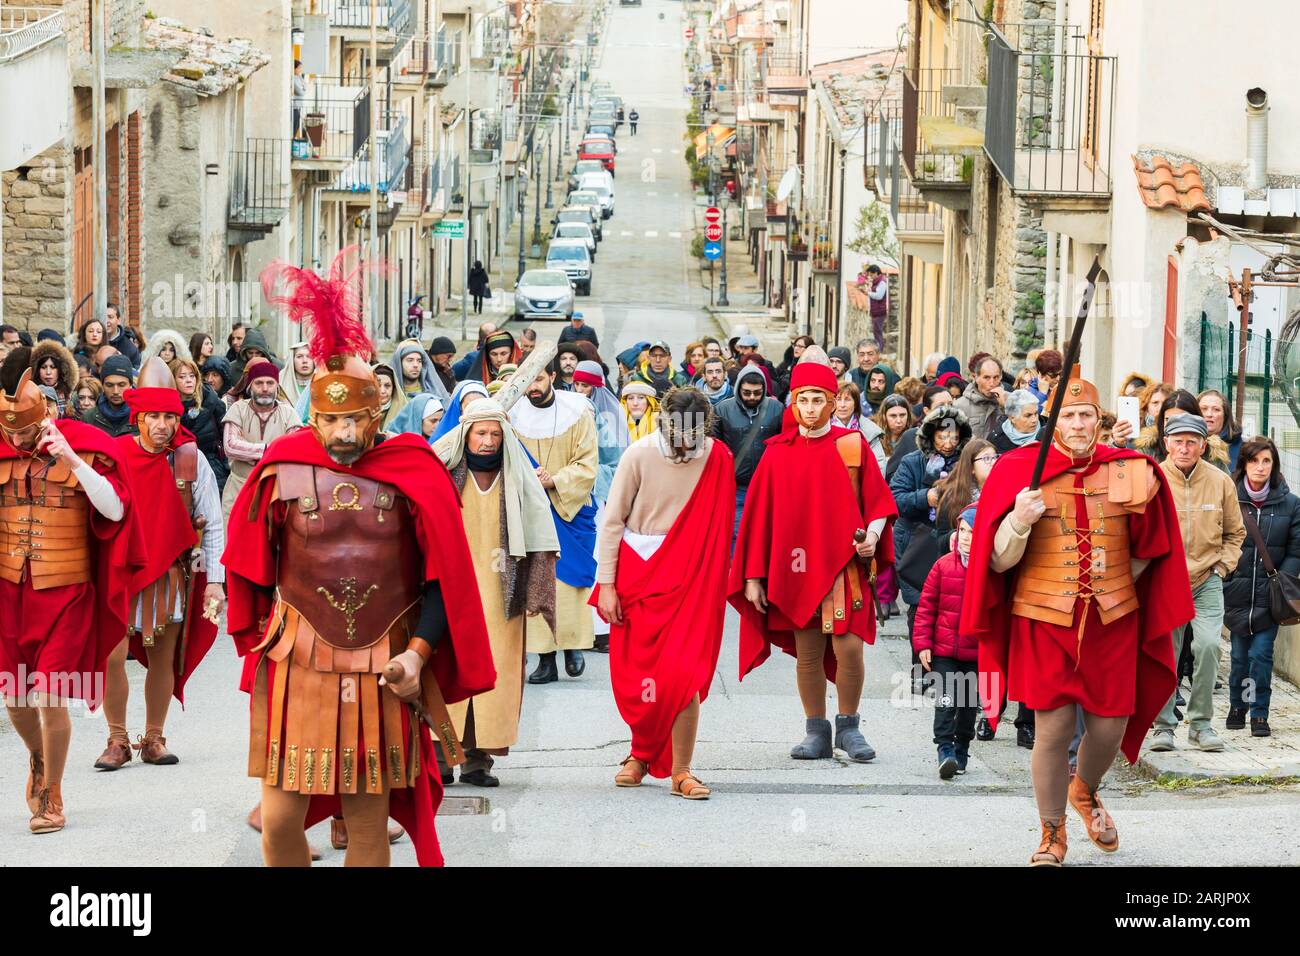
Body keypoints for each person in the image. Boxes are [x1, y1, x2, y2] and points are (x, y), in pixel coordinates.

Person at [962, 368, 1193, 866]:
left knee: (1110, 724)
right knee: (1054, 728)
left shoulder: (1133, 469)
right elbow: (997, 562)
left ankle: (1083, 790)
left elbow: (1154, 548)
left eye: (1086, 414)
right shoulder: (1016, 472)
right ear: (1053, 419)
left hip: (1112, 618)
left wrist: (1114, 581)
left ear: (1099, 418)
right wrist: (1019, 522)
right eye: (1068, 415)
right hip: (1043, 617)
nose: (1078, 423)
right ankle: (1051, 833)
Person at [0, 356, 143, 834]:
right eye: (10, 431)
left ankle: (52, 795)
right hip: (9, 595)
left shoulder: (88, 449)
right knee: (16, 698)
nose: (18, 442)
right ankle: (40, 759)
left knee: (49, 695)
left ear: (48, 416)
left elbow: (116, 510)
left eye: (25, 431)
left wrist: (73, 460)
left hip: (66, 594)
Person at [731, 362, 897, 762]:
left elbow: (877, 503)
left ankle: (849, 727)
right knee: (808, 653)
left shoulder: (853, 445)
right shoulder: (776, 455)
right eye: (802, 400)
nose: (809, 408)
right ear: (793, 403)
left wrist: (872, 538)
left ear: (833, 402)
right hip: (796, 571)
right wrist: (754, 575)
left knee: (849, 649)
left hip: (846, 567)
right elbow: (759, 519)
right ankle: (816, 731)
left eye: (817, 399)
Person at [596, 387, 735, 798]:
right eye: (678, 434)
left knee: (684, 674)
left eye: (694, 437)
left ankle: (681, 770)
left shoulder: (717, 458)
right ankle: (639, 754)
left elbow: (722, 527)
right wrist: (606, 584)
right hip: (640, 573)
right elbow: (612, 520)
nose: (685, 445)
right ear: (665, 423)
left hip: (693, 577)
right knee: (641, 675)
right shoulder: (638, 454)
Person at [95, 358, 226, 770]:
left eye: (170, 416)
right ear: (139, 417)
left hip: (171, 572)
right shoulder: (113, 455)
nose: (162, 425)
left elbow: (213, 523)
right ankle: (117, 738)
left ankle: (154, 737)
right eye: (154, 416)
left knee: (162, 657)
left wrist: (215, 583)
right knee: (112, 657)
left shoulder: (190, 460)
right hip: (119, 571)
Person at [432, 401, 558, 787]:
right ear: (465, 434)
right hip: (450, 592)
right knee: (446, 670)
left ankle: (478, 760)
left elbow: (540, 531)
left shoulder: (516, 476)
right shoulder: (443, 475)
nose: (487, 442)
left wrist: (536, 588)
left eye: (495, 434)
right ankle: (440, 756)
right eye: (480, 433)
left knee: (495, 675)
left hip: (502, 593)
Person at [1148, 415, 1244, 753]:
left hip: (1207, 580)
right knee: (1166, 656)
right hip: (1167, 581)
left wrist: (1222, 567)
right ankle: (1163, 727)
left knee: (1207, 648)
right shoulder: (1153, 479)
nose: (1184, 448)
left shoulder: (1220, 482)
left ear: (1204, 445)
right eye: (1178, 441)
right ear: (1167, 443)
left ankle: (1201, 724)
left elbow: (1236, 533)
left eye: (1192, 441)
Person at [509, 361, 599, 684]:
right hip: (531, 511)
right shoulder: (515, 416)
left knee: (568, 584)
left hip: (568, 508)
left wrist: (555, 481)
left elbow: (588, 463)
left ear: (552, 377)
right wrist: (529, 479)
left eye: (538, 379)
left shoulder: (578, 412)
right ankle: (545, 659)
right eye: (527, 382)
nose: (532, 387)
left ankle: (572, 647)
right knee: (538, 582)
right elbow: (507, 459)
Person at [1224, 436, 1300, 739]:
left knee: (1261, 656)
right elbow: (1220, 539)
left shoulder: (1290, 503)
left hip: (1271, 598)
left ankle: (1259, 712)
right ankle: (1238, 706)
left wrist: (1282, 579)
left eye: (1266, 461)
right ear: (1244, 463)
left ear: (1274, 464)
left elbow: (1297, 550)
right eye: (1254, 460)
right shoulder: (1230, 497)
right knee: (1240, 657)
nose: (1260, 467)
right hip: (1237, 594)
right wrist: (1226, 576)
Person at [915, 505, 981, 778]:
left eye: (973, 532)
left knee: (968, 706)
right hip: (943, 650)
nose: (966, 537)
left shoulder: (990, 570)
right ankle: (945, 750)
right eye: (962, 530)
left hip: (977, 652)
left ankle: (962, 747)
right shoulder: (942, 566)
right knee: (946, 699)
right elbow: (926, 607)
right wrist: (922, 644)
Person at [574, 360, 631, 653]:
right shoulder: (571, 409)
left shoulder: (609, 416)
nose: (581, 391)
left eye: (586, 386)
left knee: (599, 559)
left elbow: (618, 460)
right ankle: (575, 627)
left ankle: (600, 629)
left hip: (599, 498)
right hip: (572, 496)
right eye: (577, 385)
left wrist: (590, 475)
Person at [711, 365, 783, 547]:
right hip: (737, 486)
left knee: (766, 533)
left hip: (768, 485)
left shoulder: (776, 408)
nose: (752, 397)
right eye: (747, 393)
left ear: (764, 390)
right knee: (737, 533)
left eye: (757, 393)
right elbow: (715, 448)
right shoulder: (722, 409)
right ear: (738, 389)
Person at [220, 361, 302, 520]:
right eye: (259, 383)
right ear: (250, 386)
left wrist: (249, 450)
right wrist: (270, 450)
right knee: (236, 541)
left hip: (276, 491)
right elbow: (230, 446)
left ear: (277, 387)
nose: (265, 388)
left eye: (270, 383)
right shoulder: (238, 409)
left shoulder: (289, 413)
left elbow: (294, 449)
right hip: (239, 489)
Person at [171, 356, 229, 490]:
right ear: (173, 380)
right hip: (180, 468)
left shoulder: (213, 401)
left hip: (213, 467)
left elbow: (225, 437)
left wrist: (226, 467)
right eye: (182, 377)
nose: (188, 380)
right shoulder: (168, 408)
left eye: (192, 376)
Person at [833, 382, 886, 473]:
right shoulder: (823, 428)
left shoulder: (869, 431)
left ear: (856, 403)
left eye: (847, 399)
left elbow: (878, 466)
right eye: (838, 399)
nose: (842, 405)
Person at [81, 355, 138, 438]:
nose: (115, 391)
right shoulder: (89, 418)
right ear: (103, 386)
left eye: (121, 385)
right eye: (109, 385)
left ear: (130, 385)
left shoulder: (142, 417)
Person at [953, 356, 1005, 440]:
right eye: (986, 377)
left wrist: (1005, 406)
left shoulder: (1010, 402)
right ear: (976, 378)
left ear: (1001, 377)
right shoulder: (959, 406)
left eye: (996, 377)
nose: (992, 383)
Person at [390, 337, 449, 402]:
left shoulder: (433, 392)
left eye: (419, 361)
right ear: (399, 363)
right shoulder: (388, 392)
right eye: (410, 360)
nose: (416, 365)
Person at [30, 338, 79, 416]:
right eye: (43, 367)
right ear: (37, 370)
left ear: (60, 369)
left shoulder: (70, 394)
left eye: (53, 367)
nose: (48, 372)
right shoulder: (30, 393)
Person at [1198, 389, 1242, 471]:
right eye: (1204, 409)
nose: (1209, 414)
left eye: (1216, 409)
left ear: (1225, 415)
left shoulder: (1242, 448)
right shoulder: (1185, 445)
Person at [990, 388, 1041, 453]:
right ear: (1012, 418)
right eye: (1028, 415)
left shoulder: (1049, 431)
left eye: (1036, 413)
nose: (1035, 420)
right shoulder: (997, 439)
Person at [279, 341, 315, 411]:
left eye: (309, 356)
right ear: (292, 360)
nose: (305, 361)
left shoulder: (322, 382)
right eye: (299, 357)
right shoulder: (280, 381)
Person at [104, 304, 141, 371]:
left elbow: (134, 375)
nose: (106, 321)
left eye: (110, 317)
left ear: (118, 320)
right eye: (103, 317)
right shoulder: (94, 341)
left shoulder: (130, 348)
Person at [373, 365, 409, 431]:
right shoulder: (358, 412)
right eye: (377, 385)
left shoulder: (405, 412)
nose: (382, 391)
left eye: (387, 386)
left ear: (394, 388)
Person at [864, 264, 889, 349]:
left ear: (876, 273)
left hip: (879, 311)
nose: (870, 277)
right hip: (876, 311)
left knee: (878, 332)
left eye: (871, 274)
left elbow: (879, 296)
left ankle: (880, 350)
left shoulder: (882, 282)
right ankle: (878, 349)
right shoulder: (877, 281)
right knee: (876, 332)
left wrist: (868, 293)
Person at [291, 60, 306, 137]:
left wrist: (303, 87)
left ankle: (293, 139)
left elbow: (305, 88)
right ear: (294, 69)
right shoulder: (293, 78)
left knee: (297, 126)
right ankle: (291, 140)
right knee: (294, 125)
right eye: (299, 68)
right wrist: (302, 88)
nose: (300, 70)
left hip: (299, 106)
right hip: (294, 106)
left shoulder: (299, 77)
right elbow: (300, 92)